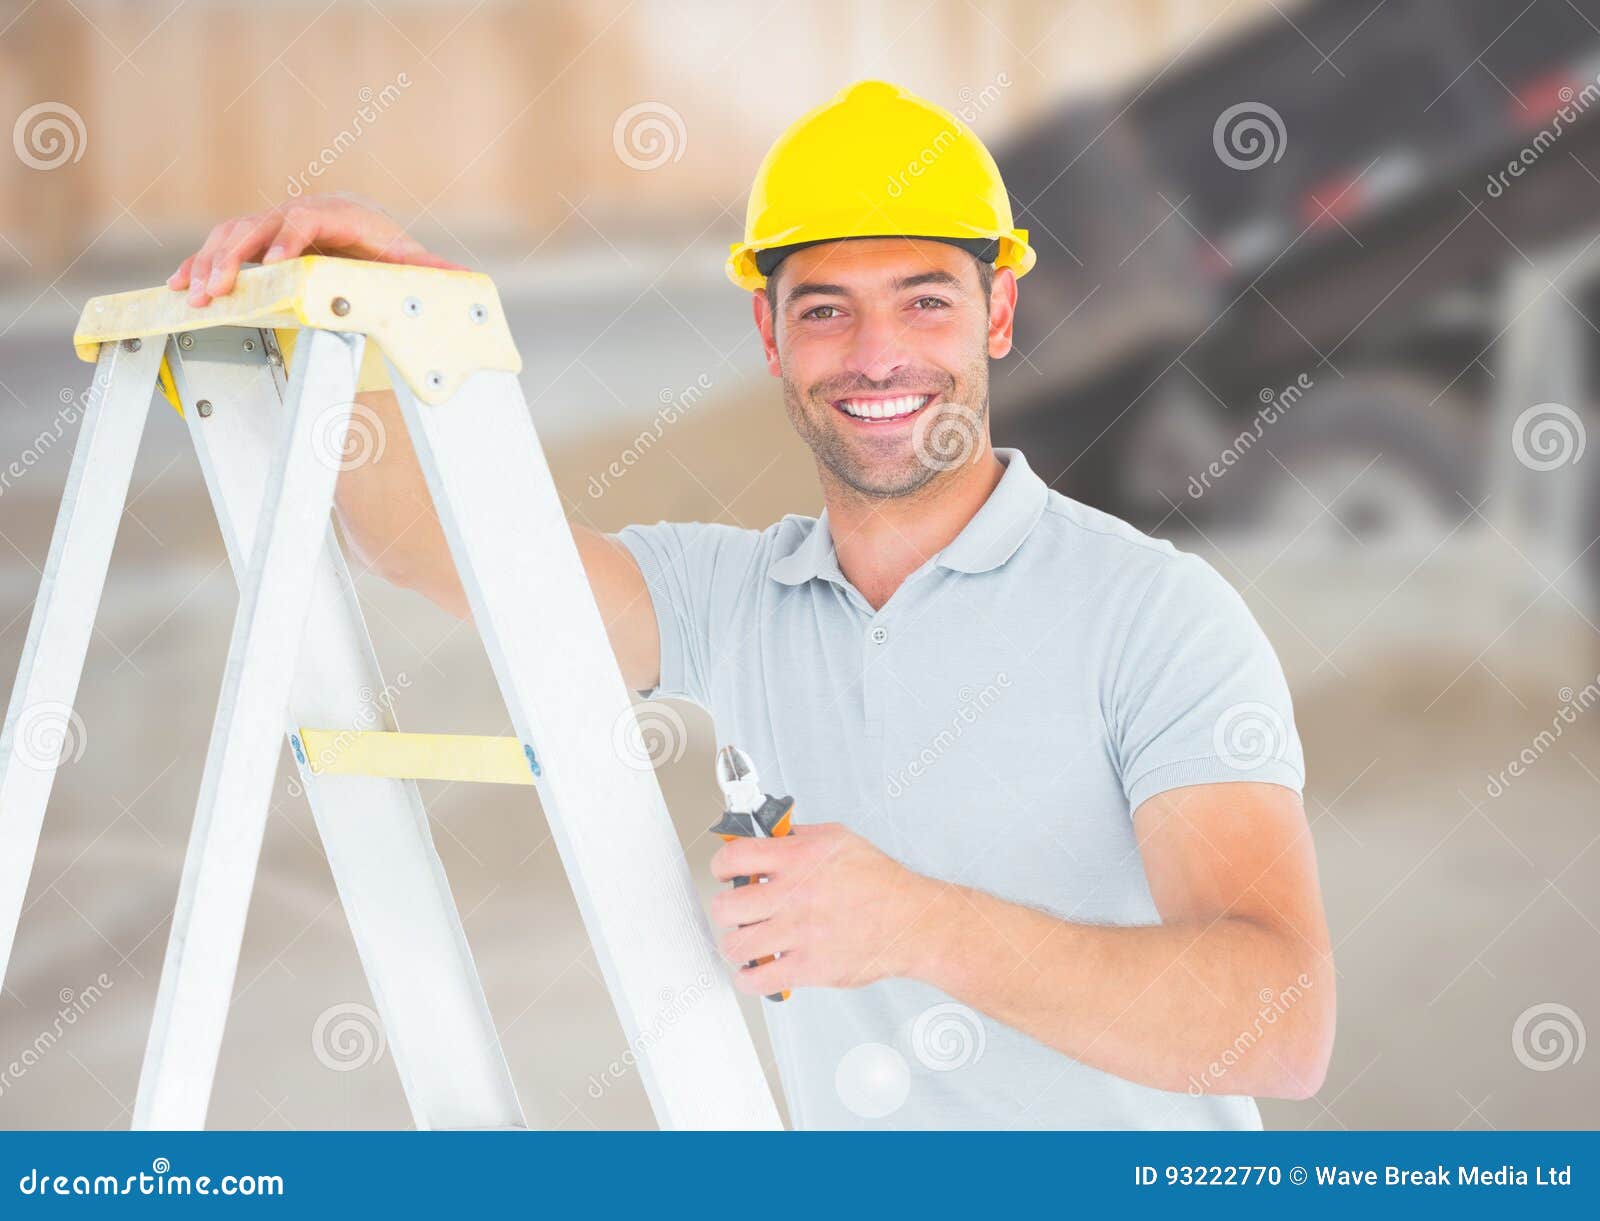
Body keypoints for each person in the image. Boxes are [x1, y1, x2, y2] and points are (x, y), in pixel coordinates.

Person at [168, 80, 1334, 1130]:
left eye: (923, 303)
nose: (876, 355)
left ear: (997, 314)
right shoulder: (730, 600)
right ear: (769, 334)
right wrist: (377, 317)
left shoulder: (1153, 615)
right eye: (825, 310)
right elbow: (423, 543)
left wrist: (915, 924)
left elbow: (1281, 1027)